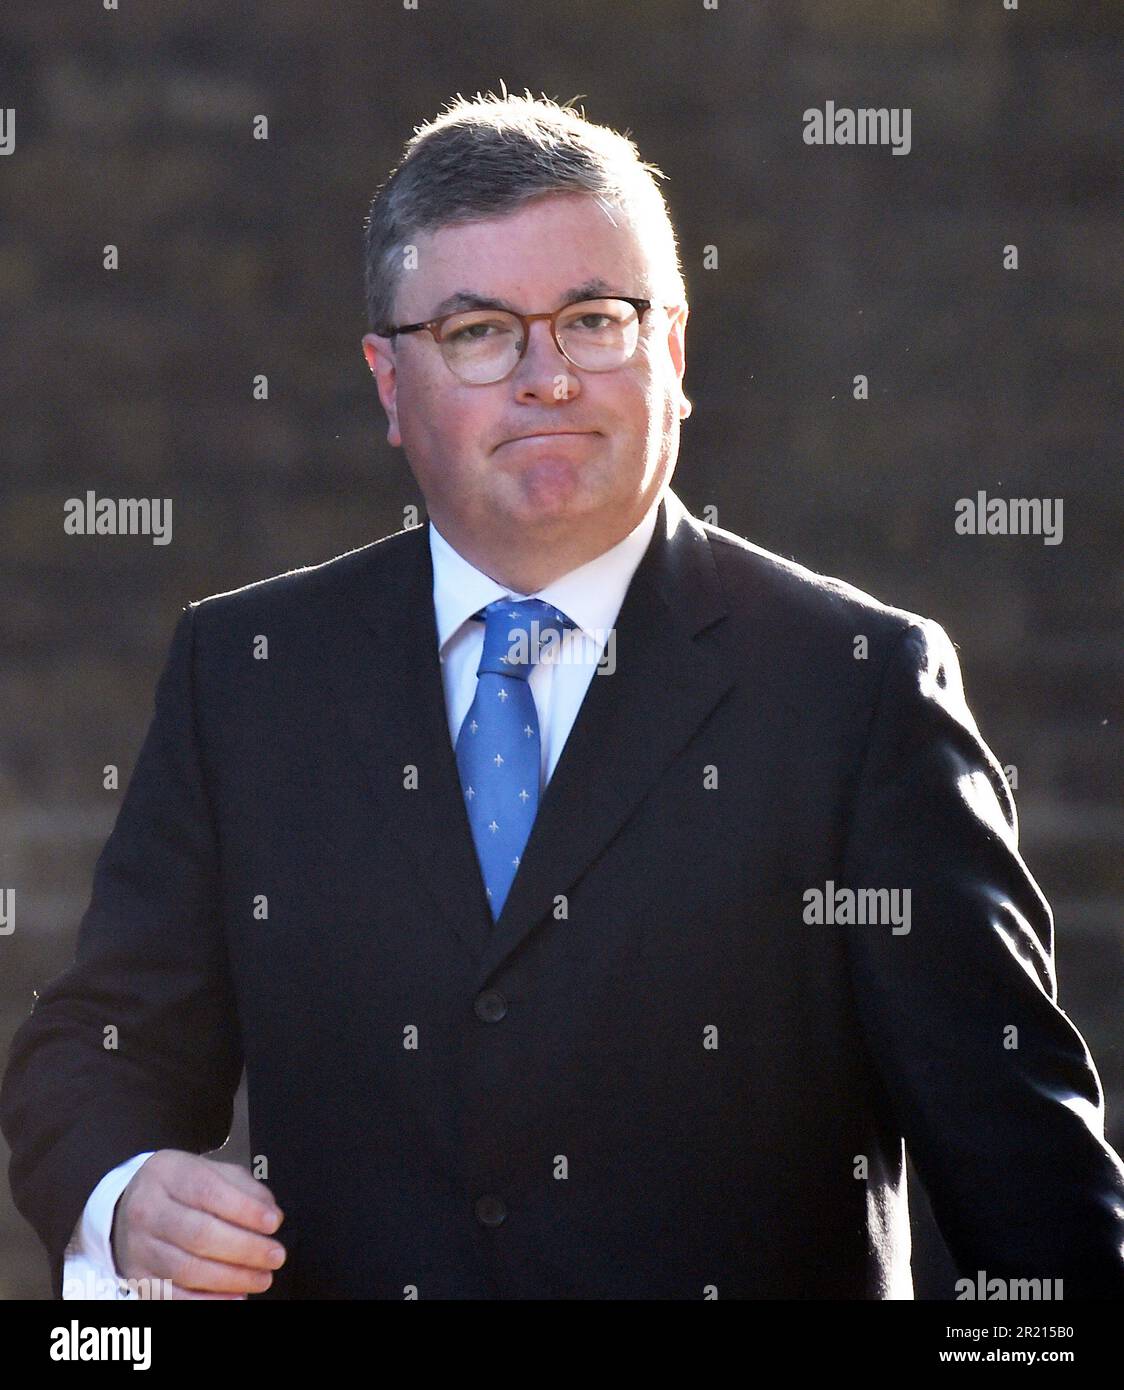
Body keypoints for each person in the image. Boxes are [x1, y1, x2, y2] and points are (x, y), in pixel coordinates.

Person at [4, 91, 1123, 1301]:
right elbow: (98, 1045)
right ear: (388, 379)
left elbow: (1031, 1201)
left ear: (672, 351)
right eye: (479, 330)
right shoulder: (247, 672)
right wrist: (123, 1197)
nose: (546, 376)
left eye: (592, 319)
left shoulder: (856, 689)